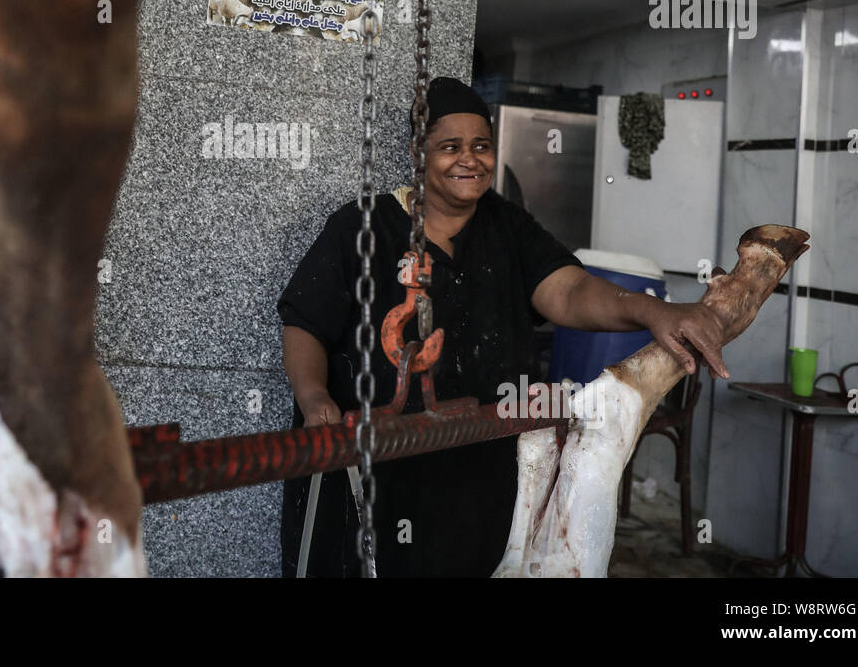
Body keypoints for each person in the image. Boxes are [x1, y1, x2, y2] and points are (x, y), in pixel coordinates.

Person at [278, 76, 726, 577]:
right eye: (449, 147)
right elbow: (305, 323)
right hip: (370, 473)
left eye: (481, 146)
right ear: (417, 152)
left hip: (477, 475)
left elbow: (569, 290)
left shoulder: (507, 227)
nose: (469, 160)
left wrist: (652, 311)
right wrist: (313, 394)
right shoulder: (360, 228)